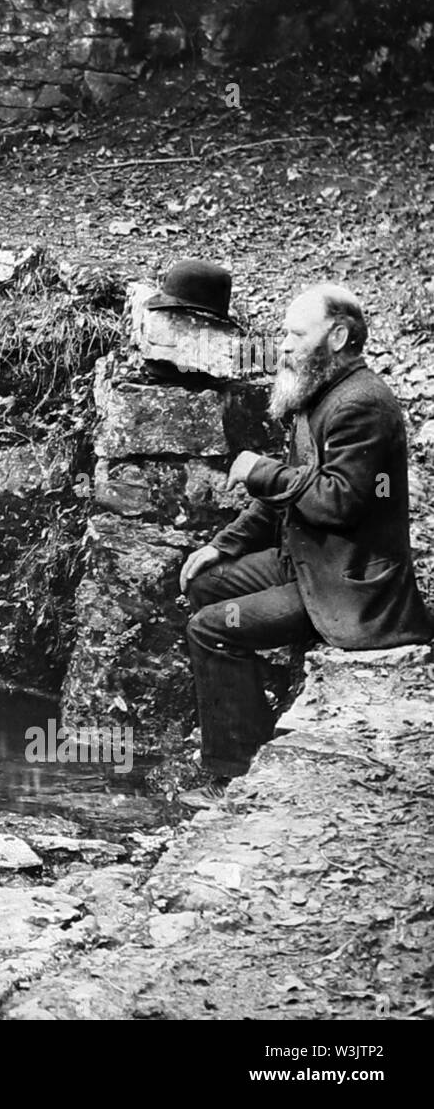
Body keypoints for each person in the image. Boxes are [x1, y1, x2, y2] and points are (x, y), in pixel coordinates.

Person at [177, 283, 432, 805]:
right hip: (305, 563)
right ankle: (247, 714)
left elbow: (339, 503)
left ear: (337, 336)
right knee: (206, 584)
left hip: (350, 582)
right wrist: (223, 546)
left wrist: (260, 471)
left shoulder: (363, 405)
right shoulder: (318, 393)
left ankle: (233, 776)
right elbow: (285, 496)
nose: (284, 346)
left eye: (297, 334)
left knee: (210, 629)